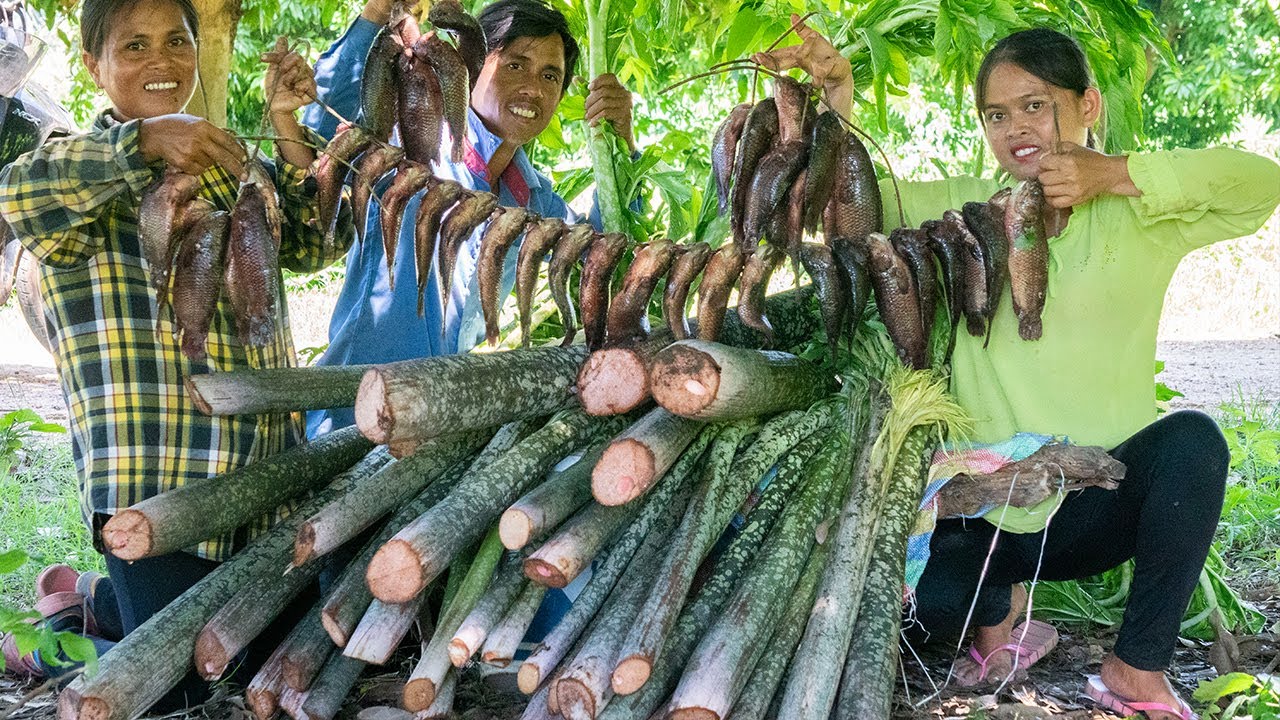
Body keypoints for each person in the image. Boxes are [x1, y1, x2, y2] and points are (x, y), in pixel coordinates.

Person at [756, 19, 1280, 720]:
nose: (1015, 128)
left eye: (1036, 104)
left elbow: (1260, 183)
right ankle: (997, 618)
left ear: (1087, 105)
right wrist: (837, 100)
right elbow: (855, 210)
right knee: (926, 613)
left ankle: (1136, 668)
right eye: (996, 114)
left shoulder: (1141, 216)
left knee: (1194, 443)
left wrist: (1119, 174)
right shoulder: (967, 206)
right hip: (983, 510)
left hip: (1095, 500)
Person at [0, 0, 350, 706]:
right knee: (184, 692)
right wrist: (146, 143)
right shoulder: (76, 172)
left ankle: (96, 602)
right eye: (134, 45)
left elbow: (320, 240)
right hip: (157, 495)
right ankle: (52, 640)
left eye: (175, 40)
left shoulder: (230, 162)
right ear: (95, 67)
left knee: (269, 669)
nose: (161, 59)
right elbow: (17, 198)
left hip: (261, 479)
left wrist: (285, 130)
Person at [303, 0, 637, 437]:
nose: (532, 88)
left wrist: (623, 146)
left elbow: (601, 258)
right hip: (350, 423)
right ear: (473, 64)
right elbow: (319, 129)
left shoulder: (534, 199)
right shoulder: (415, 145)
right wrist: (375, 16)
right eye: (516, 64)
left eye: (550, 75)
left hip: (431, 428)